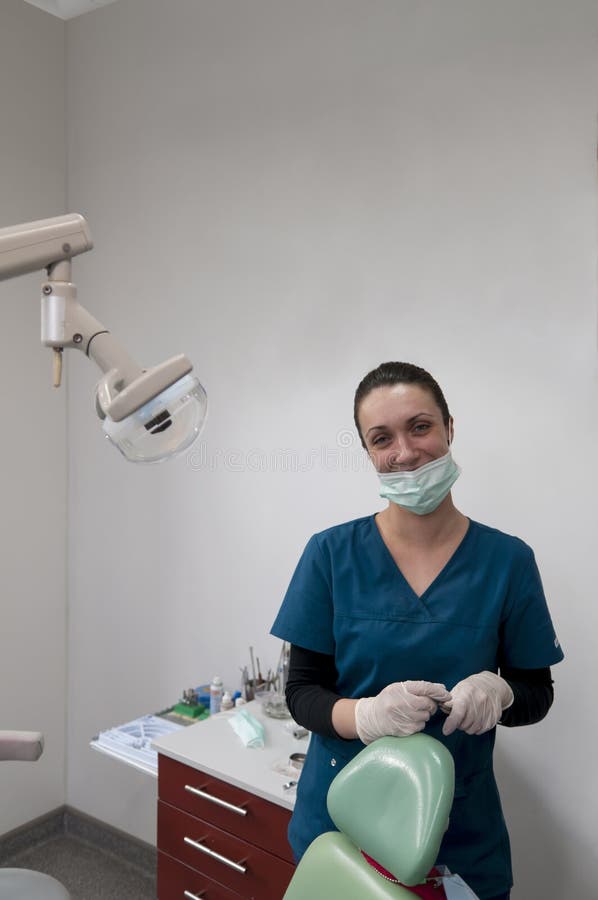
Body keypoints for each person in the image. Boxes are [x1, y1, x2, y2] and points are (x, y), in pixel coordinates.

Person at [271, 361, 563, 900]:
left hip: (459, 830)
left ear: (450, 427)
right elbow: (301, 693)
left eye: (420, 427)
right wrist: (365, 715)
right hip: (344, 820)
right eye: (382, 438)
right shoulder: (330, 554)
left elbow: (536, 693)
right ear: (368, 453)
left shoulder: (509, 561)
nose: (404, 452)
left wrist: (499, 693)